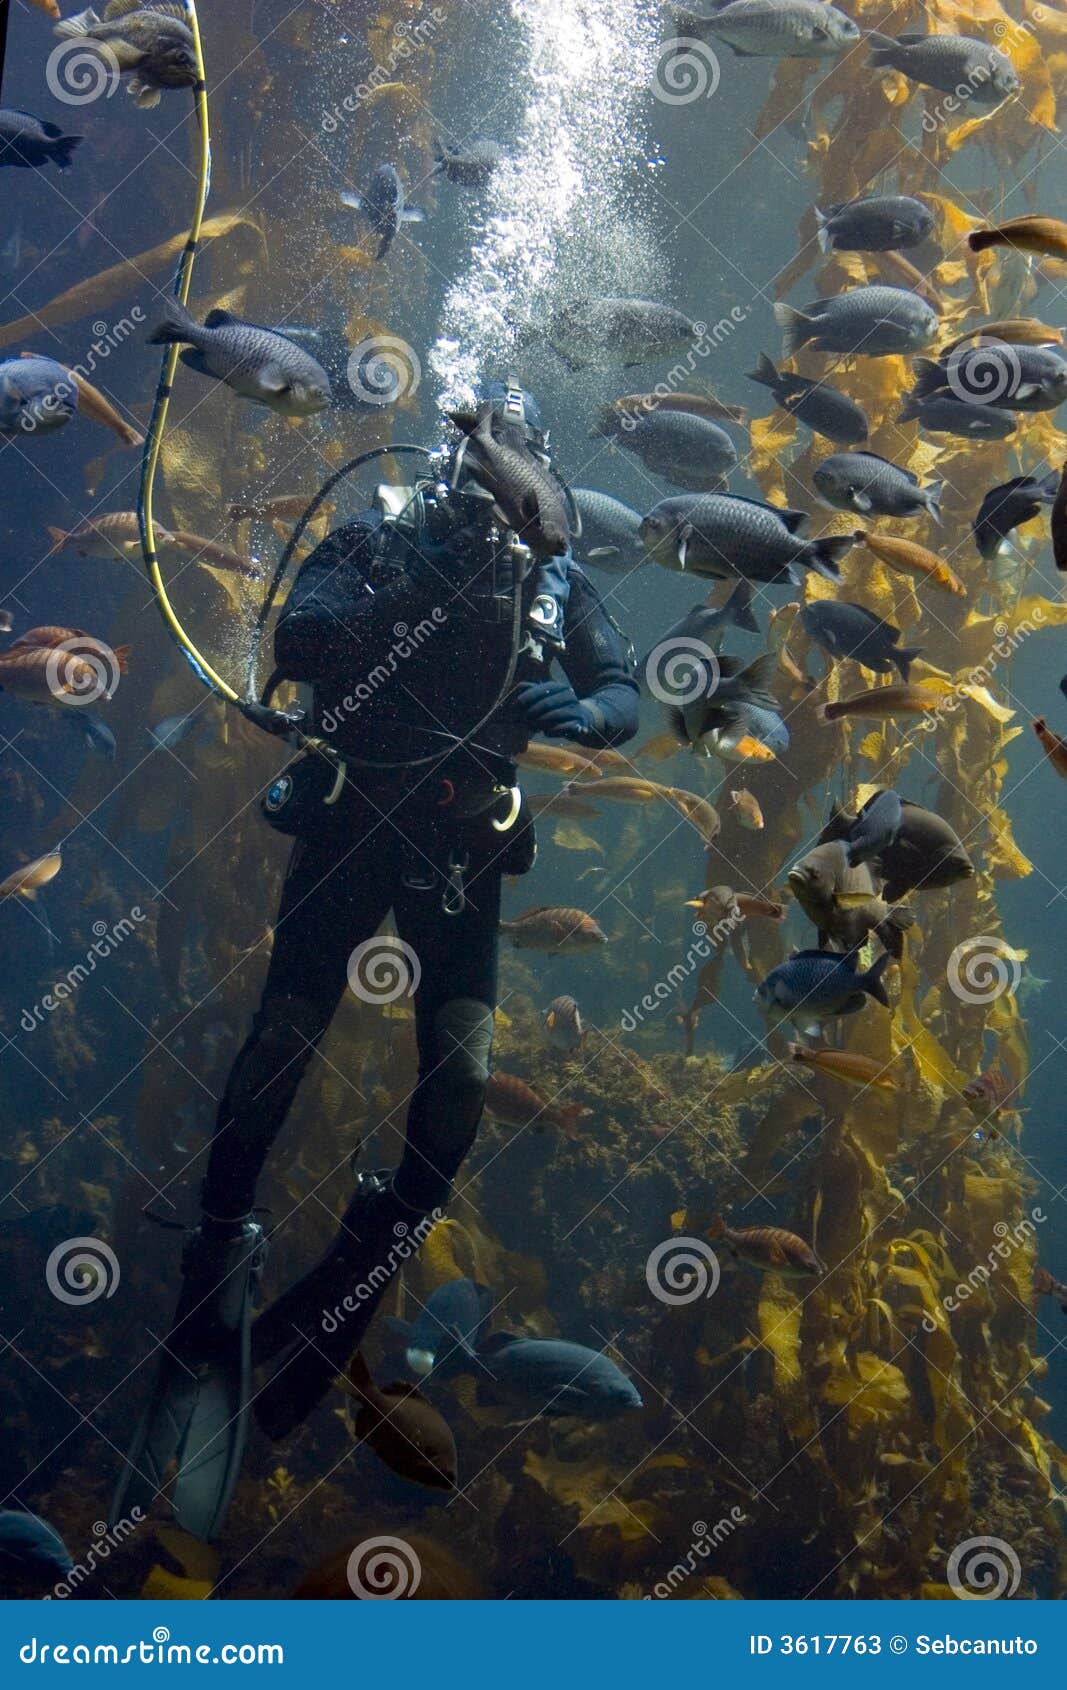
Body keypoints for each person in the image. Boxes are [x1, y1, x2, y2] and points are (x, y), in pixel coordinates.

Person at [113, 382, 639, 1539]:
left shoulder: (547, 581)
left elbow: (622, 685)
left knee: (457, 1085)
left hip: (460, 852)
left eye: (514, 481)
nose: (491, 499)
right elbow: (294, 640)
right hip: (350, 827)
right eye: (479, 474)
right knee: (280, 1043)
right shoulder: (377, 533)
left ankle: (366, 1252)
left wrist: (596, 716)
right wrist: (407, 591)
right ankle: (217, 1255)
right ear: (452, 467)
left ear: (537, 486)